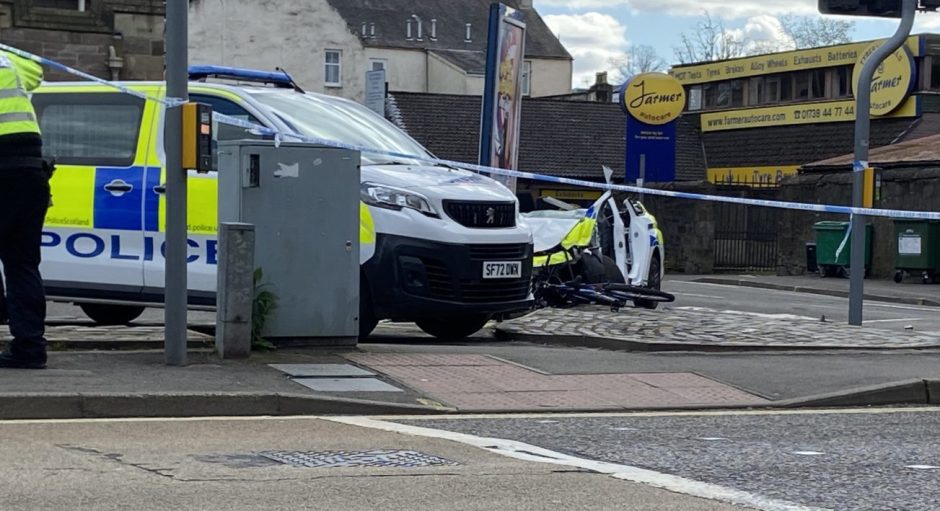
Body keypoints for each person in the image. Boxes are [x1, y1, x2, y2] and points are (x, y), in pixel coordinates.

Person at [0, 50, 49, 369]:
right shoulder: (9, 60)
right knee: (22, 265)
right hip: (31, 173)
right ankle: (30, 348)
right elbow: (37, 72)